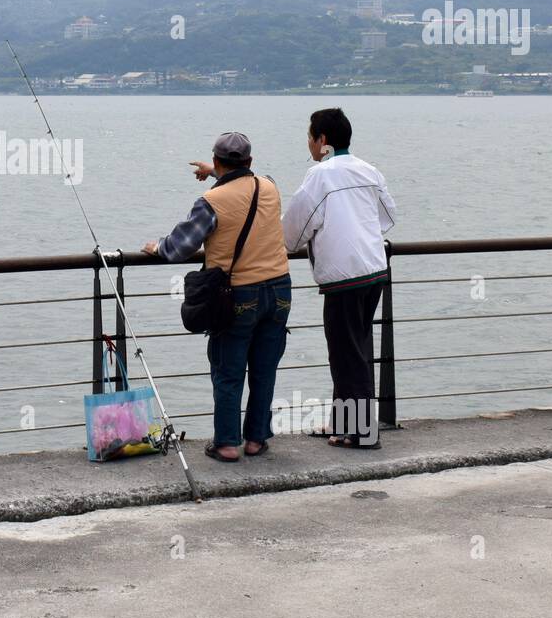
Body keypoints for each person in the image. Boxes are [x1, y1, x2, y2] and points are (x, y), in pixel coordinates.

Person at [142, 132, 291, 461]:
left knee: (228, 369)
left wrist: (157, 247)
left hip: (238, 293)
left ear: (219, 161)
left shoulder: (211, 201)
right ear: (250, 162)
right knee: (265, 369)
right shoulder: (270, 186)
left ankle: (226, 443)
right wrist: (217, 171)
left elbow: (180, 248)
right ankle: (256, 439)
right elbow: (245, 185)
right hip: (279, 289)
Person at [282, 108, 397, 448]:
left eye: (310, 137)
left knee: (346, 354)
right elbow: (389, 216)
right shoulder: (369, 170)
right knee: (356, 347)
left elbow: (294, 232)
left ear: (322, 141)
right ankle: (344, 424)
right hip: (374, 269)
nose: (309, 143)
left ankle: (362, 433)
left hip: (343, 278)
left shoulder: (320, 176)